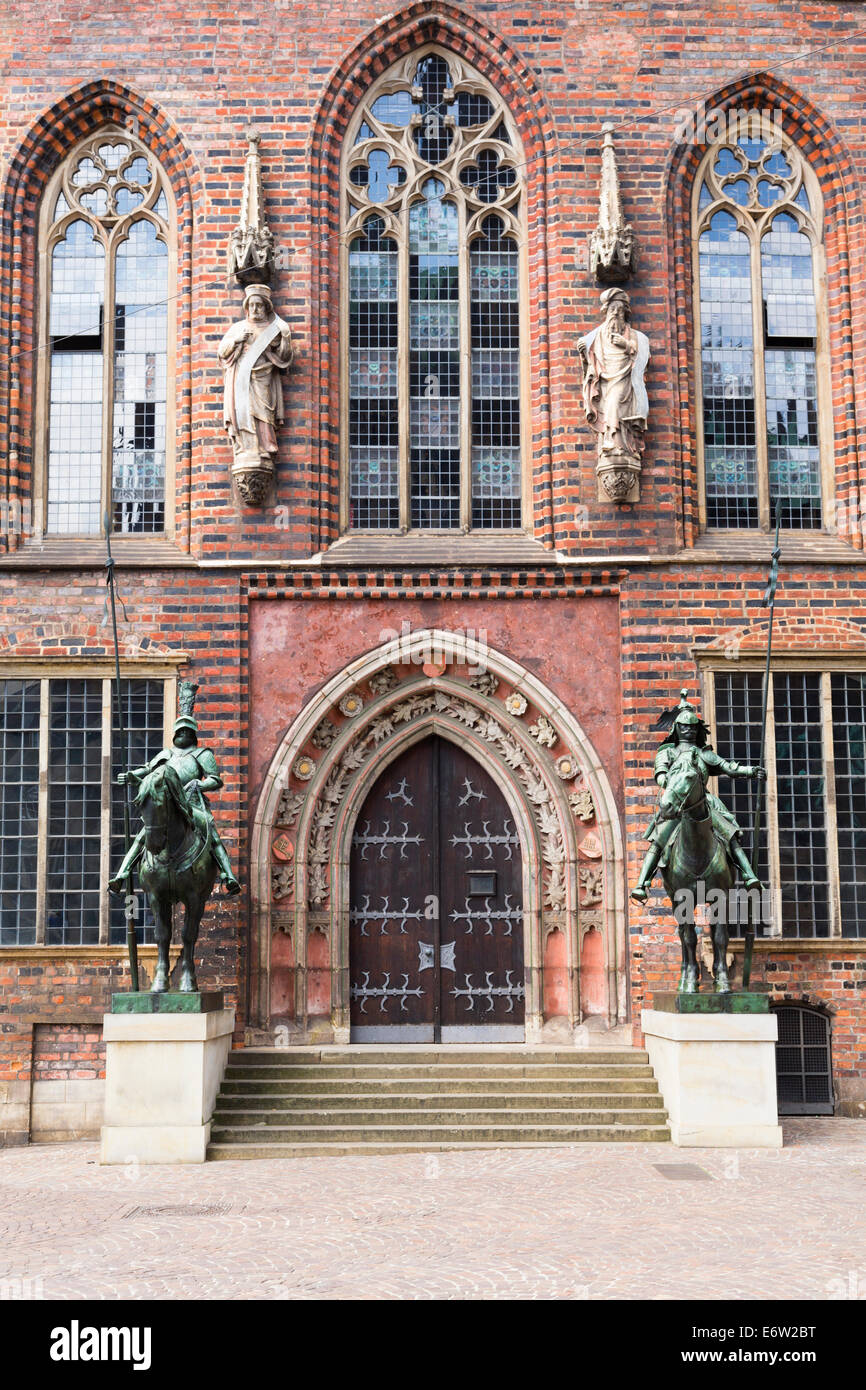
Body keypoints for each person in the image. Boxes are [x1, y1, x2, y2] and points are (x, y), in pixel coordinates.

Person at [630, 694, 765, 903]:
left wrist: (750, 771)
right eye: (684, 727)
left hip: (704, 802)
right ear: (676, 728)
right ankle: (641, 884)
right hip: (677, 804)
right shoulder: (668, 752)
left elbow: (727, 767)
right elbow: (661, 775)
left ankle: (749, 875)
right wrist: (671, 785)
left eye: (692, 728)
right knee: (658, 840)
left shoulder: (704, 753)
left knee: (728, 833)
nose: (689, 730)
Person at [108, 690, 240, 896]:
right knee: (143, 835)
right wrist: (132, 774)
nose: (184, 735)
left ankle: (228, 874)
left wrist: (199, 784)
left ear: (193, 735)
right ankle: (122, 874)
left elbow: (215, 779)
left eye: (188, 732)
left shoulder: (201, 755)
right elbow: (147, 769)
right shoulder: (166, 754)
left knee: (209, 830)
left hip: (191, 803)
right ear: (175, 734)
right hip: (167, 802)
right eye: (181, 732)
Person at [218, 282, 293, 468]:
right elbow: (222, 352)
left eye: (259, 305)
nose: (255, 309)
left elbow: (283, 356)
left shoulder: (273, 329)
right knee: (243, 411)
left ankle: (265, 448)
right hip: (241, 380)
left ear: (266, 307)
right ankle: (246, 448)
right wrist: (236, 341)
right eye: (251, 305)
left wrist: (285, 337)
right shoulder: (238, 328)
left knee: (263, 413)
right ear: (246, 307)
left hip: (263, 378)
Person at [577, 287, 649, 464]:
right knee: (609, 405)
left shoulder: (633, 334)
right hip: (605, 378)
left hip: (625, 377)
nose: (616, 313)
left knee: (615, 405)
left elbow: (642, 353)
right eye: (612, 309)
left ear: (625, 312)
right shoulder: (599, 334)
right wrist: (583, 351)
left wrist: (626, 345)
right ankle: (610, 443)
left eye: (619, 310)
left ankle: (620, 445)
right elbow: (589, 351)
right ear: (606, 311)